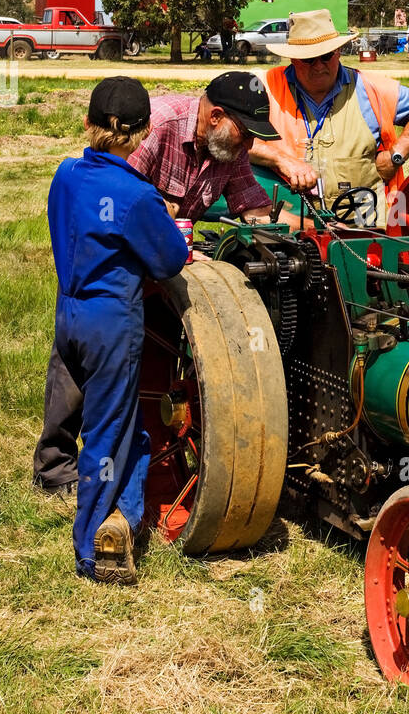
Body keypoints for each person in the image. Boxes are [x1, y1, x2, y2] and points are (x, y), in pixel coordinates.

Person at [33, 73, 278, 498]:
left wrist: (305, 230)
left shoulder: (228, 148)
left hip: (137, 271)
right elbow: (109, 187)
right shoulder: (159, 124)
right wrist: (170, 239)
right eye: (245, 134)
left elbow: (251, 206)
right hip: (114, 267)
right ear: (216, 116)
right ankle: (70, 473)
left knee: (102, 361)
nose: (250, 147)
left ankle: (102, 467)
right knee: (88, 376)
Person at [39, 78, 191, 584]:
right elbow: (169, 257)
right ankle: (92, 551)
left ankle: (128, 516)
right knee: (106, 436)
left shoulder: (65, 174)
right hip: (111, 323)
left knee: (128, 429)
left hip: (70, 314)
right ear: (143, 136)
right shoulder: (136, 193)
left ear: (89, 122)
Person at [251, 9, 409, 214]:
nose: (318, 66)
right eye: (308, 59)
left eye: (325, 56)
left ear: (338, 52)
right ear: (293, 59)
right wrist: (282, 160)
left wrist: (396, 156)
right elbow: (231, 138)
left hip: (362, 224)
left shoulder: (370, 88)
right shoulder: (265, 87)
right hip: (288, 222)